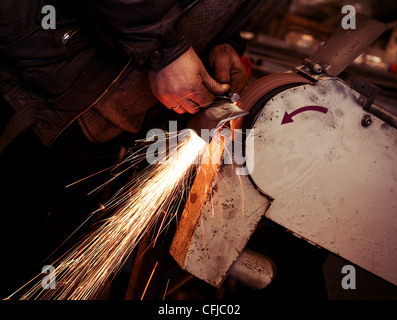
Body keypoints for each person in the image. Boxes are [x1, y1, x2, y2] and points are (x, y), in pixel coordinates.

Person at [0, 0, 265, 298]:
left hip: (99, 133)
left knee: (35, 280)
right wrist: (163, 49)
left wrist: (222, 43)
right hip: (27, 91)